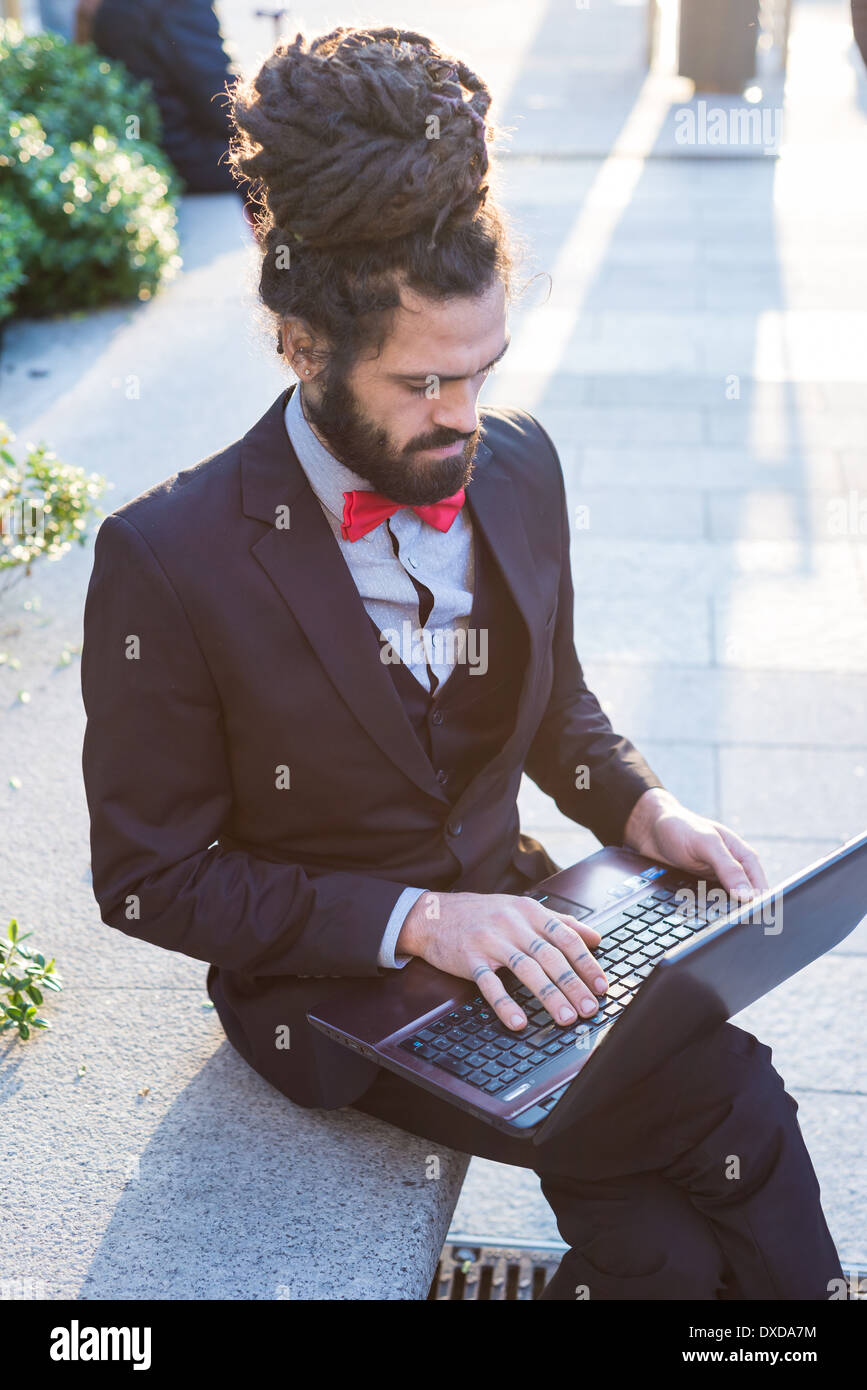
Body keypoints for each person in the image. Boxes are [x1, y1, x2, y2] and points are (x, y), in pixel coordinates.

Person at [80, 25, 846, 1300]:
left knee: (656, 1249)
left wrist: (646, 808)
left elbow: (558, 706)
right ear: (301, 347)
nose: (465, 421)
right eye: (425, 384)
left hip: (529, 926)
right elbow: (150, 879)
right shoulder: (169, 558)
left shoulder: (522, 462)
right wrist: (416, 918)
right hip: (335, 1003)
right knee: (738, 1109)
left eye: (484, 372)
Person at [74, 0, 241, 195]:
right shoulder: (177, 6)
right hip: (181, 158)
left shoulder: (112, 6)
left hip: (138, 147)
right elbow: (219, 102)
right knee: (278, 160)